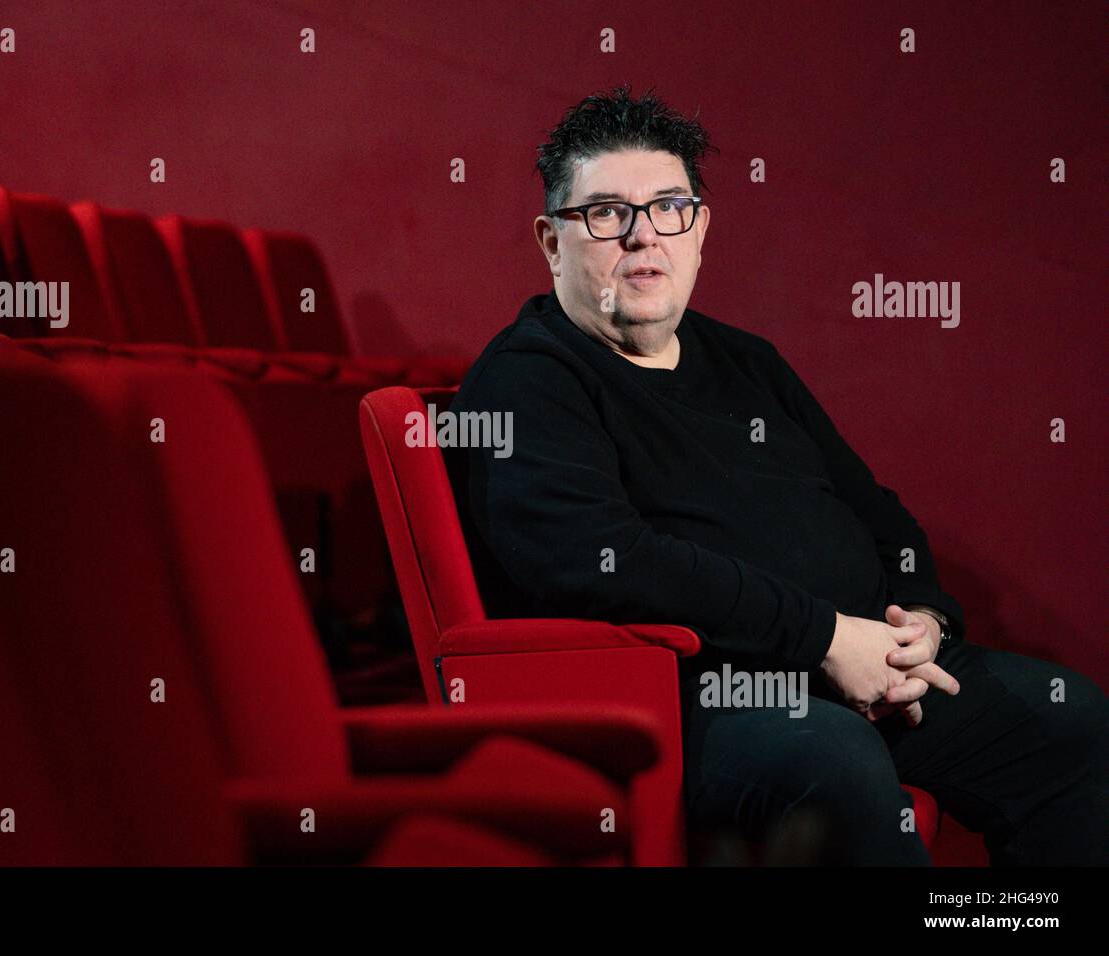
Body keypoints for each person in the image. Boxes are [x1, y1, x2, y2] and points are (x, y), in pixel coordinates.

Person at [450, 84, 1108, 865]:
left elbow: (877, 513)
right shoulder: (530, 377)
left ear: (700, 232)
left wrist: (922, 621)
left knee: (1071, 724)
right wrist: (824, 638)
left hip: (861, 662)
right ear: (552, 242)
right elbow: (600, 561)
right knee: (830, 764)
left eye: (669, 207)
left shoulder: (744, 360)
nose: (641, 237)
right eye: (604, 213)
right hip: (698, 693)